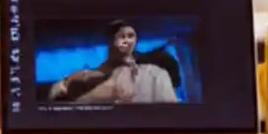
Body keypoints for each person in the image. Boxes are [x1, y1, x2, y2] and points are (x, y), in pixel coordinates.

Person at [49, 20, 179, 104]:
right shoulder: (101, 71)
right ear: (111, 41)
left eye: (131, 36)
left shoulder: (153, 72)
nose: (127, 41)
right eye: (122, 36)